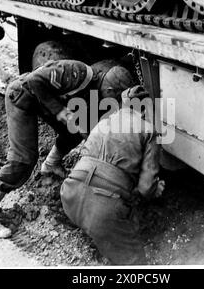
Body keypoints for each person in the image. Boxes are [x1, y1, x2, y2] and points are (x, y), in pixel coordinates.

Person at [0, 57, 137, 239]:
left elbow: (87, 129)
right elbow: (34, 81)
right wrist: (59, 111)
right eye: (114, 98)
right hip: (22, 97)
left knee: (74, 132)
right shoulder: (77, 72)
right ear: (109, 89)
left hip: (41, 102)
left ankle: (50, 165)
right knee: (24, 159)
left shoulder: (96, 93)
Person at [60, 85, 165, 265]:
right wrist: (156, 188)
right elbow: (146, 188)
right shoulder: (148, 130)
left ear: (121, 105)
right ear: (145, 107)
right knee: (136, 264)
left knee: (101, 221)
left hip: (69, 197)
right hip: (103, 210)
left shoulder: (102, 122)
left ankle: (97, 236)